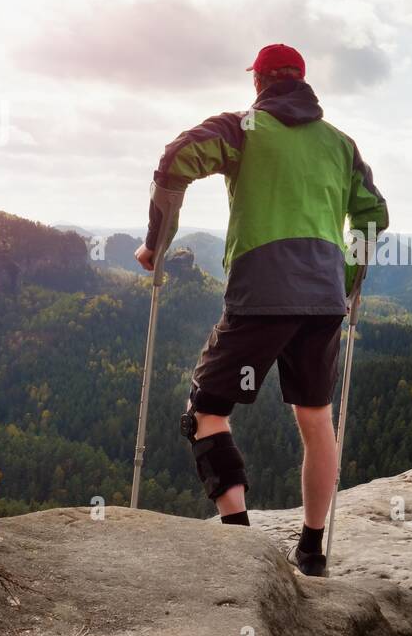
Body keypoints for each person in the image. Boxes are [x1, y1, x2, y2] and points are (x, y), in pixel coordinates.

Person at [135, 44, 388, 576]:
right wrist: (345, 281)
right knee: (317, 420)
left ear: (258, 83)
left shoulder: (241, 128)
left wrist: (156, 247)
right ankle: (312, 549)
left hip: (261, 292)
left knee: (205, 412)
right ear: (302, 80)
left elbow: (176, 159)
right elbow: (372, 213)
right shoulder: (340, 144)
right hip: (323, 299)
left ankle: (239, 544)